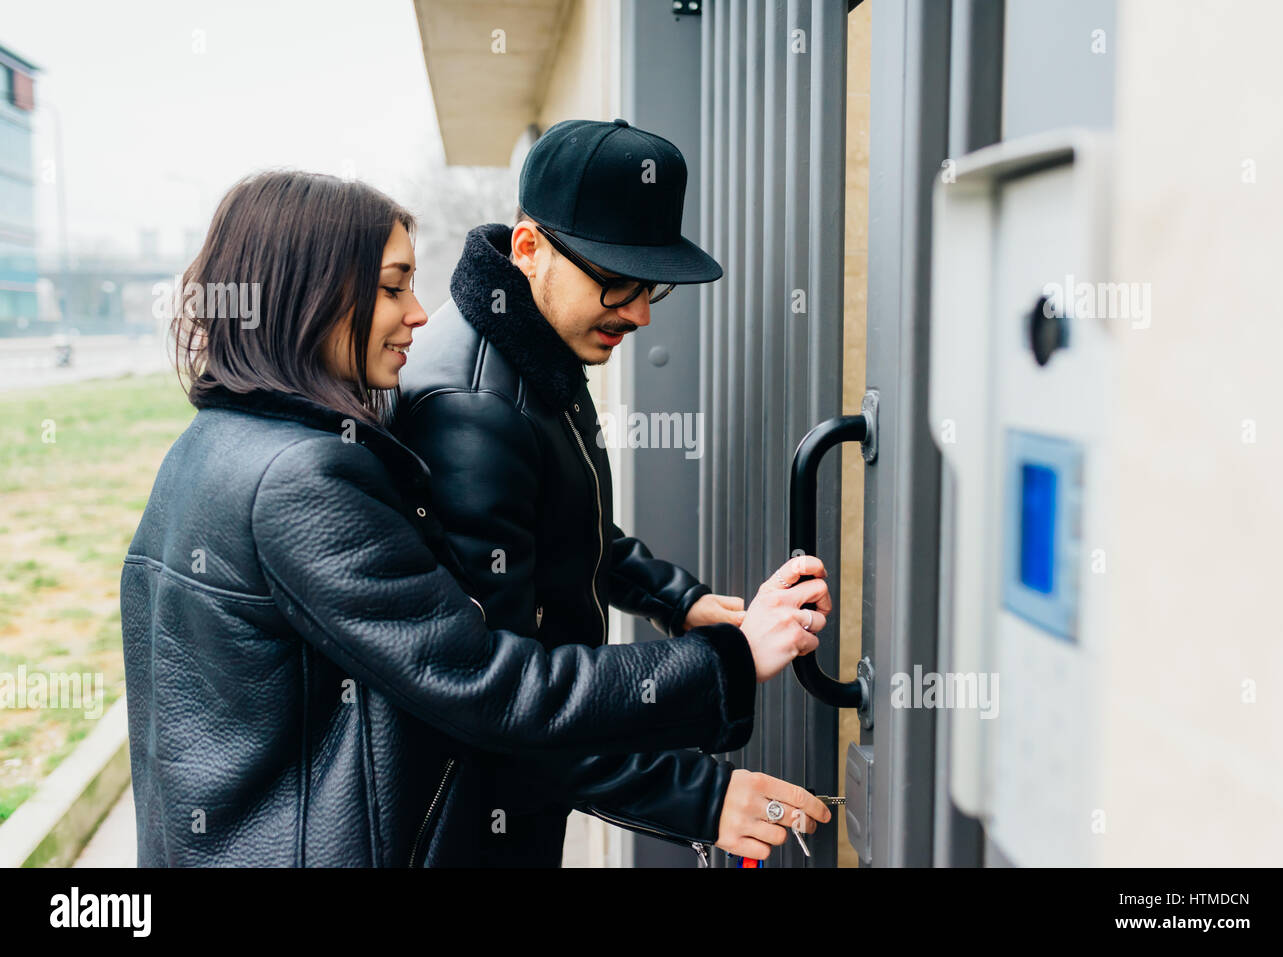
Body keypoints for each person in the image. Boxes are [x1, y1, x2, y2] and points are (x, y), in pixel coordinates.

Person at [119, 169, 831, 867]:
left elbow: (562, 543)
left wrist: (676, 600)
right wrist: (727, 666)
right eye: (393, 286)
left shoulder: (213, 443)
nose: (418, 313)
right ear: (307, 293)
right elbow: (486, 682)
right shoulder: (307, 475)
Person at [393, 119, 828, 866]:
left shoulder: (531, 343)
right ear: (528, 250)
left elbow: (568, 517)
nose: (640, 313)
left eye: (651, 284)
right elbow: (505, 701)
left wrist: (675, 597)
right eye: (617, 283)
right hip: (468, 821)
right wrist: (704, 795)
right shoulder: (472, 415)